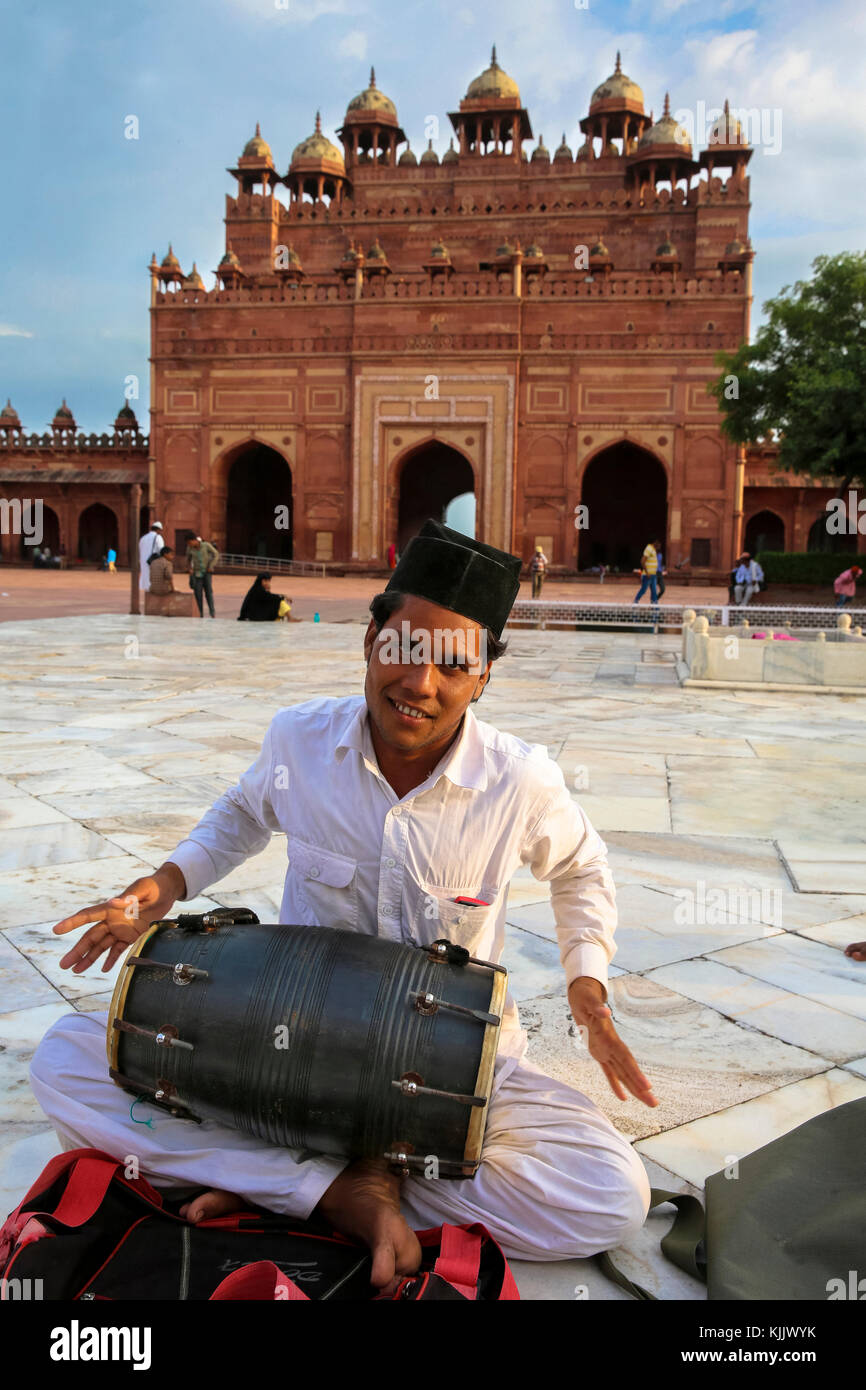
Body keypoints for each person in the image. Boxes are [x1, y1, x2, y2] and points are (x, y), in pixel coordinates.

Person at [34, 519, 653, 1293]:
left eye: (454, 667)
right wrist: (158, 890)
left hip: (449, 1059)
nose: (421, 685)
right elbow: (240, 814)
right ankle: (334, 1192)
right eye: (405, 651)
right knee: (63, 1057)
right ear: (371, 642)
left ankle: (297, 1182)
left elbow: (583, 869)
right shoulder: (302, 741)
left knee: (611, 1193)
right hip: (288, 1039)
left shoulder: (517, 781)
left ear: (484, 678)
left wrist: (587, 984)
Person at [188, 536, 219, 618]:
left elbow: (216, 554)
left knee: (208, 593)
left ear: (194, 540)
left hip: (207, 572)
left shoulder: (206, 545)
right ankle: (200, 614)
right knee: (198, 594)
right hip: (197, 573)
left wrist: (211, 566)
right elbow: (188, 559)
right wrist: (190, 568)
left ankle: (212, 613)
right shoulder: (190, 548)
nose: (189, 544)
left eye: (190, 542)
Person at [632, 539, 660, 604]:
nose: (659, 545)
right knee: (643, 590)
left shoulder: (653, 549)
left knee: (654, 591)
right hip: (648, 575)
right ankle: (635, 602)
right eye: (658, 543)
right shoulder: (649, 548)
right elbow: (642, 561)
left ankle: (655, 607)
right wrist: (647, 572)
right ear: (655, 542)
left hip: (653, 574)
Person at [138, 521, 164, 593]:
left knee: (146, 579)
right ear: (158, 529)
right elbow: (162, 550)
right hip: (153, 561)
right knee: (154, 578)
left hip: (144, 561)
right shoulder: (158, 537)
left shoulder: (143, 538)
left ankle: (148, 597)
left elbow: (140, 549)